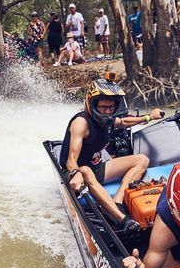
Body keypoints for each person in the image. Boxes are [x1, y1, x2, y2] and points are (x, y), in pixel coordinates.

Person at [60, 78, 165, 232]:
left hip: (95, 169)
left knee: (142, 160)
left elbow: (123, 122)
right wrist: (75, 174)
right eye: (103, 107)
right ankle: (122, 219)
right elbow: (71, 160)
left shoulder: (106, 119)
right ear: (93, 104)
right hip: (75, 174)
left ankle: (117, 200)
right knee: (86, 170)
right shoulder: (81, 123)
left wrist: (149, 117)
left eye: (111, 107)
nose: (108, 111)